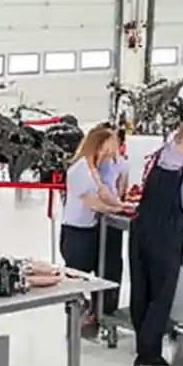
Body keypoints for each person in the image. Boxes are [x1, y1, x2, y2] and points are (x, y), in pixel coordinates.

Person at [128, 121, 183, 366]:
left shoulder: (160, 155)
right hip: (166, 232)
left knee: (140, 287)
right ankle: (148, 355)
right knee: (162, 291)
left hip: (140, 226)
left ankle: (142, 343)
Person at [60, 126, 126, 330]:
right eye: (112, 142)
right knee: (76, 275)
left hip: (93, 227)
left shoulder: (96, 167)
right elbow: (92, 201)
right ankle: (75, 315)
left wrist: (123, 206)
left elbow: (104, 193)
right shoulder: (80, 169)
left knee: (102, 269)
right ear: (100, 144)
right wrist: (116, 209)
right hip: (77, 230)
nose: (116, 147)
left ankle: (98, 313)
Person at [94, 124, 131, 318]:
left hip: (110, 216)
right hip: (99, 216)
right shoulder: (95, 163)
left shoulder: (121, 163)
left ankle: (107, 308)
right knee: (103, 264)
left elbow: (121, 191)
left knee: (112, 264)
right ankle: (99, 309)